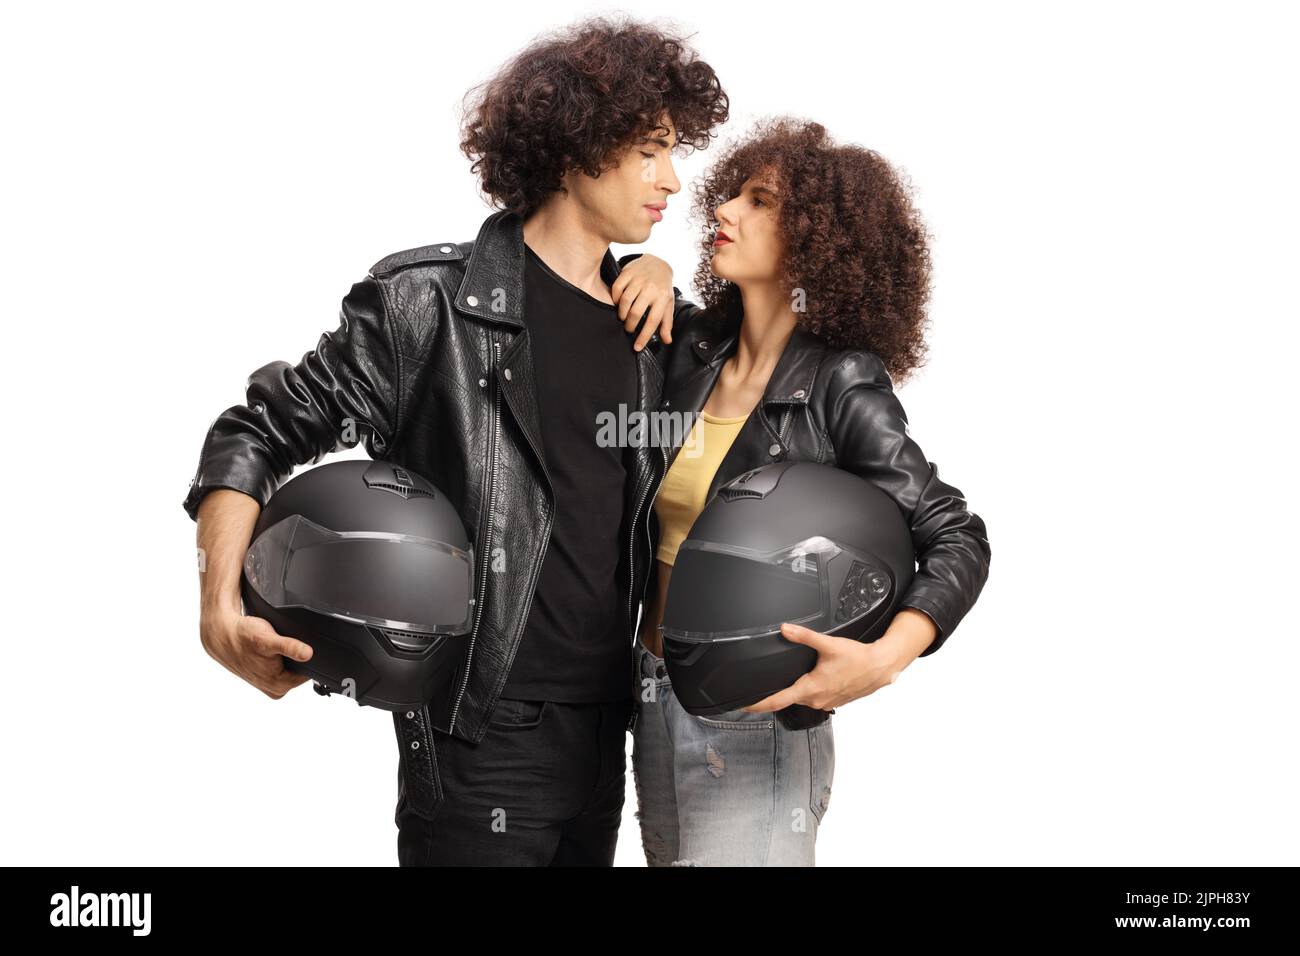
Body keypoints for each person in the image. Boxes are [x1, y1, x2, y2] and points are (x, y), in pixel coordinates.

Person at [182, 16, 728, 866]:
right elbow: (257, 430)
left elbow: (779, 354)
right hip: (479, 730)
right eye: (652, 150)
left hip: (611, 730)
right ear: (579, 146)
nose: (674, 179)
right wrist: (219, 607)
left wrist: (655, 270)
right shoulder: (427, 305)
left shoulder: (652, 327)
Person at [616, 117, 992, 866]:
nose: (723, 211)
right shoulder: (691, 352)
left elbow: (956, 533)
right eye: (732, 196)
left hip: (760, 714)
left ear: (819, 240)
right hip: (652, 692)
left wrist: (886, 658)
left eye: (758, 202)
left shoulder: (839, 380)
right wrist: (648, 264)